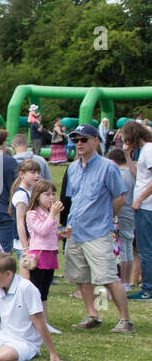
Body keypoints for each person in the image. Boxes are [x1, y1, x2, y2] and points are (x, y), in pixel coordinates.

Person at [64, 124, 134, 332]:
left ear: (96, 141)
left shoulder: (108, 167)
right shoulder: (73, 168)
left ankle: (125, 320)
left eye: (83, 140)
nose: (79, 144)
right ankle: (92, 315)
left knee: (109, 277)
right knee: (81, 277)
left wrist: (106, 218)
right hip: (75, 230)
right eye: (75, 140)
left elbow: (120, 197)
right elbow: (73, 199)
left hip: (98, 232)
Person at [24, 180, 63, 319]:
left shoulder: (48, 212)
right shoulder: (32, 214)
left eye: (53, 194)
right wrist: (52, 215)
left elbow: (50, 235)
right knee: (37, 289)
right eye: (47, 194)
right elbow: (42, 231)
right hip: (39, 256)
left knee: (45, 290)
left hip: (50, 253)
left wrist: (60, 236)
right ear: (37, 196)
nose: (52, 198)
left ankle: (44, 321)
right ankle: (34, 319)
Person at [125, 121, 152, 299]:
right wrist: (127, 155)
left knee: (146, 248)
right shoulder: (144, 150)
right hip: (144, 205)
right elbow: (138, 176)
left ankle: (148, 289)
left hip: (146, 206)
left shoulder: (149, 149)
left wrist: (140, 199)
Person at [108, 147, 137, 287]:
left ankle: (124, 280)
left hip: (122, 213)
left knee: (123, 248)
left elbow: (118, 197)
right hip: (132, 212)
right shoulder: (131, 173)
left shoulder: (119, 174)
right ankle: (127, 281)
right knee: (128, 247)